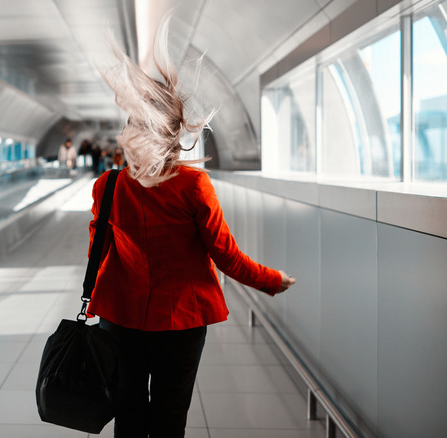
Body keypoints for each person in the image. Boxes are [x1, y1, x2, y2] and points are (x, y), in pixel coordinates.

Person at [86, 16, 296, 438]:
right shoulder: (193, 183)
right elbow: (225, 254)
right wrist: (272, 280)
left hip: (121, 319)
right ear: (173, 132)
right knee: (169, 418)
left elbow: (98, 251)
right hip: (180, 323)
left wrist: (95, 300)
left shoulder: (108, 186)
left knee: (127, 416)